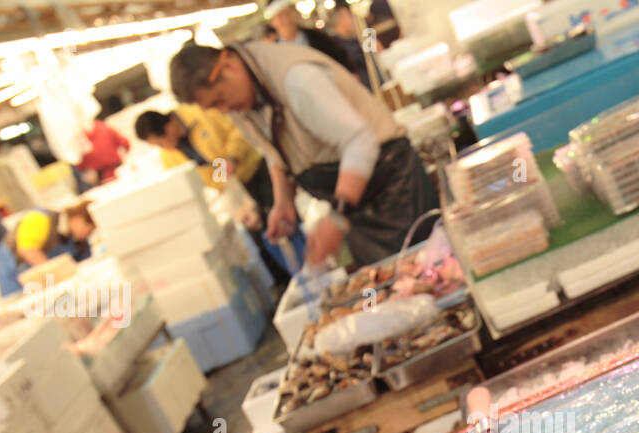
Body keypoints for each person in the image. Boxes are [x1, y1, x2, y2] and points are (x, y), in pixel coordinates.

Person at [168, 41, 437, 268]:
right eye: (213, 108)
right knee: (392, 284)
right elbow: (273, 152)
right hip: (355, 203)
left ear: (228, 66)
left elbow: (359, 141)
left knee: (431, 272)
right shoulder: (241, 104)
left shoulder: (295, 78)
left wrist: (337, 218)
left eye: (219, 100)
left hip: (393, 188)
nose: (224, 110)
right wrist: (282, 200)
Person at [134, 106, 297, 283]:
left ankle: (307, 262)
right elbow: (188, 181)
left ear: (168, 128)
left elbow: (238, 129)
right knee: (257, 235)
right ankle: (285, 282)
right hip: (233, 192)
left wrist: (231, 156)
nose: (163, 148)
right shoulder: (169, 156)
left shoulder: (199, 112)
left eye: (160, 143)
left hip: (255, 171)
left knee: (282, 220)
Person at [263, 0, 371, 89]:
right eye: (280, 16)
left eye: (288, 13)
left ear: (294, 13)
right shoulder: (275, 51)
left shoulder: (317, 37)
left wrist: (350, 73)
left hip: (332, 87)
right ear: (272, 22)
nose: (286, 20)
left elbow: (339, 56)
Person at [0, 207, 95, 296]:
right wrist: (55, 278)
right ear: (78, 217)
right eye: (88, 228)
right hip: (14, 269)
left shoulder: (76, 241)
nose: (87, 234)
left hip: (42, 280)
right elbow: (27, 249)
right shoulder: (40, 217)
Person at [77, 118, 131, 186]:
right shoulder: (104, 127)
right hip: (121, 172)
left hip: (103, 179)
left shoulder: (80, 139)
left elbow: (81, 166)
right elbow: (126, 144)